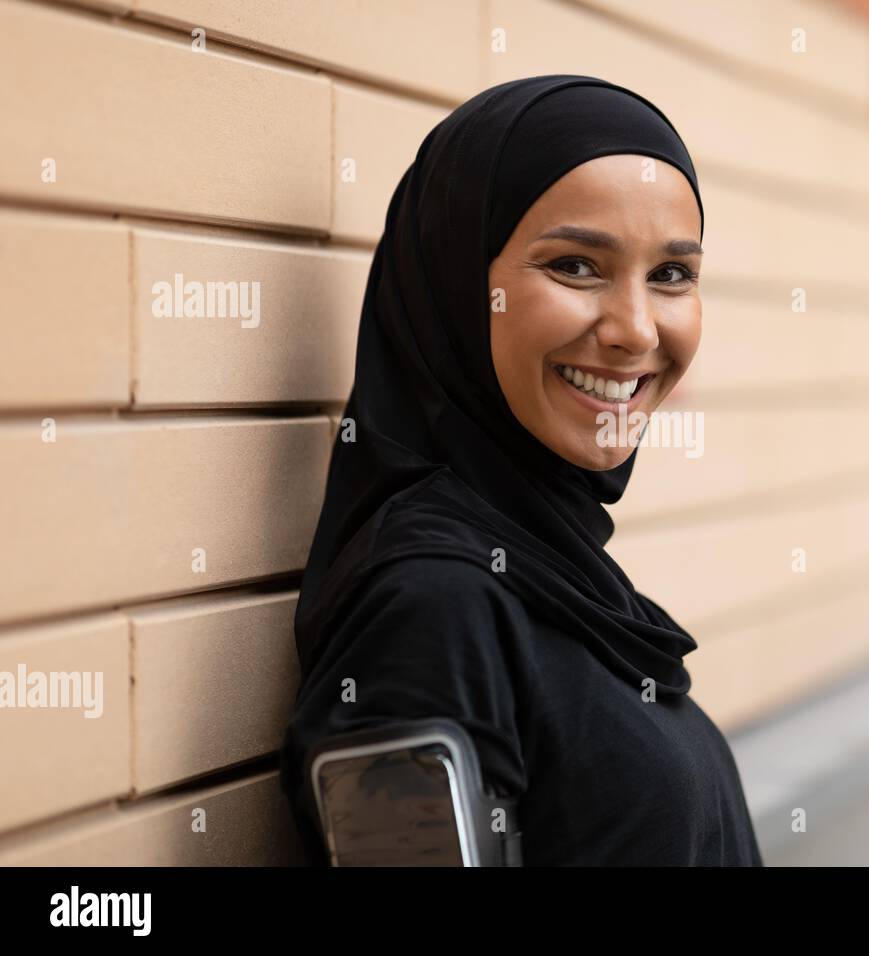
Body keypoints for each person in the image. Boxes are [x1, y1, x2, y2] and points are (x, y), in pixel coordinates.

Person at [278, 74, 764, 866]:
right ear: (459, 284)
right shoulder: (429, 609)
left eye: (671, 275)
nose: (635, 330)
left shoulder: (552, 568)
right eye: (576, 266)